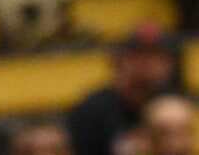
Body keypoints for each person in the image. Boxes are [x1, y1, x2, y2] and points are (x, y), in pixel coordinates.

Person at [65, 24, 178, 155]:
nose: (148, 64)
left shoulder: (172, 108)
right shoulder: (91, 111)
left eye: (155, 56)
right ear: (119, 60)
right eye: (139, 55)